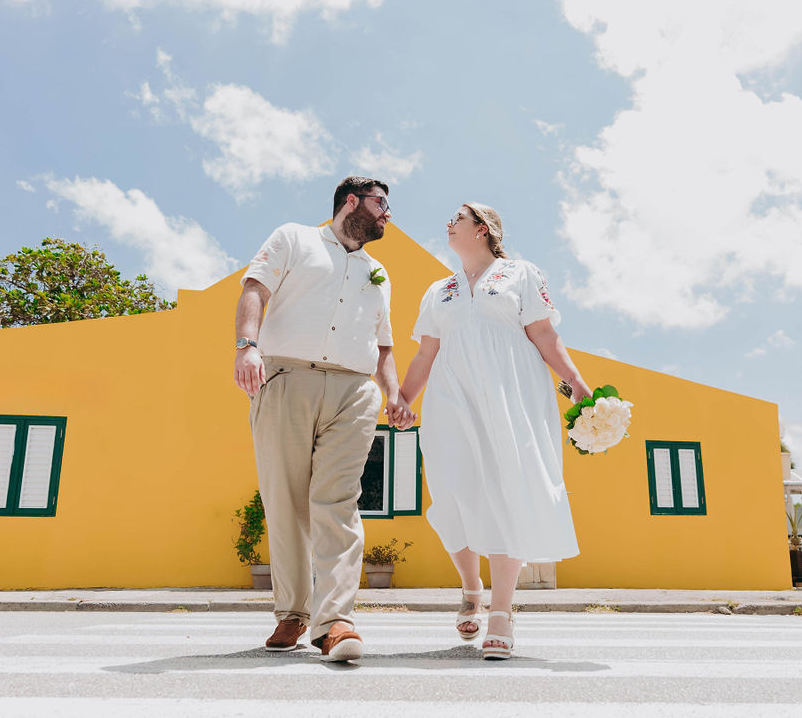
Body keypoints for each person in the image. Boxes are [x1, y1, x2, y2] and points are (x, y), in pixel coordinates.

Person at [397, 203, 589, 660]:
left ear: (481, 230)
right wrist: (404, 399)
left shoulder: (521, 274)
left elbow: (544, 335)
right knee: (451, 489)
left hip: (512, 394)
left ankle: (501, 611)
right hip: (450, 397)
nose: (448, 224)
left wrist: (578, 386)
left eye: (457, 219)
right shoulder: (437, 290)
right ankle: (471, 588)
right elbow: (426, 354)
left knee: (507, 490)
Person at [233, 176, 414, 661]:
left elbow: (384, 344)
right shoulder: (293, 238)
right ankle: (292, 613)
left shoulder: (378, 271)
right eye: (381, 204)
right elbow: (255, 288)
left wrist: (393, 394)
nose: (387, 214)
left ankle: (336, 621)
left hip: (354, 391)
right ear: (351, 201)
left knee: (337, 500)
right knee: (286, 499)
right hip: (286, 377)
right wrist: (247, 347)